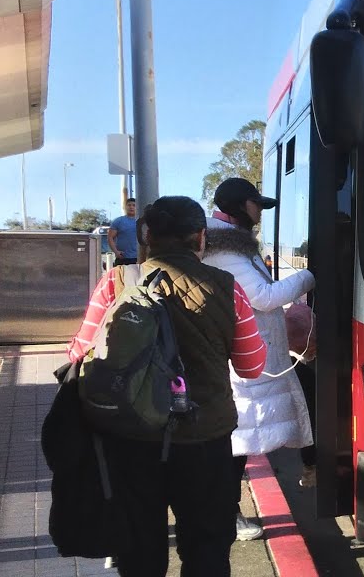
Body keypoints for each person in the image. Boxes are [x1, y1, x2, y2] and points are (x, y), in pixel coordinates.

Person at [66, 196, 267, 577]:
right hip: (204, 439)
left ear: (146, 235)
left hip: (131, 438)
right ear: (200, 238)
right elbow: (252, 366)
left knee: (140, 549)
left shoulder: (116, 283)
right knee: (207, 546)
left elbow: (79, 352)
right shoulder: (229, 288)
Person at [203, 177, 315, 541]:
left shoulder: (232, 243)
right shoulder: (225, 251)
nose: (260, 213)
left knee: (248, 432)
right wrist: (312, 276)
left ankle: (313, 465)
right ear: (239, 207)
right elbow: (264, 297)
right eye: (256, 206)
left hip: (256, 352)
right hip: (244, 357)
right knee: (236, 441)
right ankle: (226, 512)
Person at [107, 198, 139, 266]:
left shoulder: (142, 221)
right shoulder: (118, 221)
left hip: (139, 259)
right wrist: (116, 252)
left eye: (134, 205)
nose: (131, 207)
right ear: (125, 207)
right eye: (129, 205)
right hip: (123, 258)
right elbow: (110, 238)